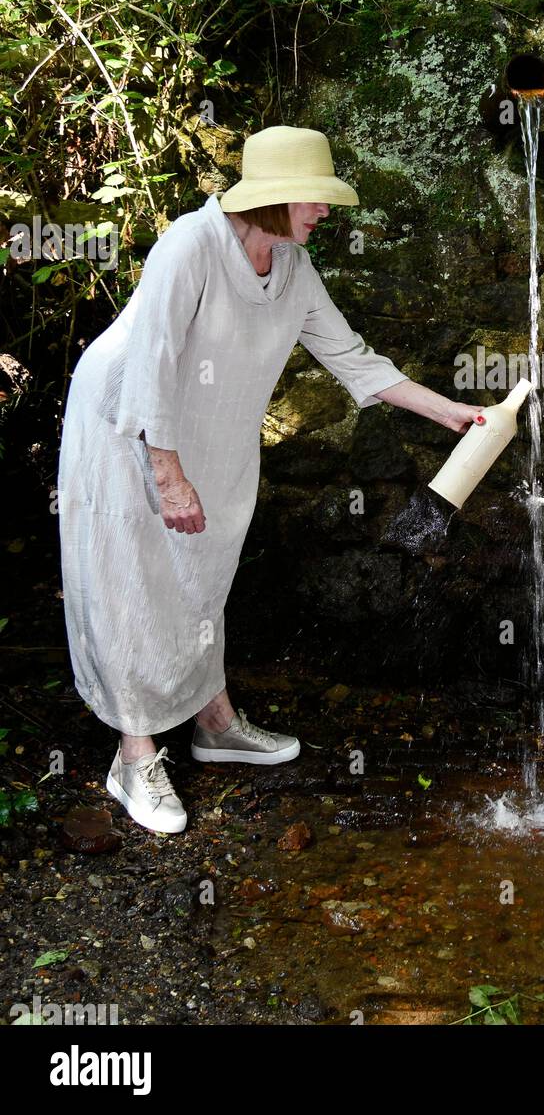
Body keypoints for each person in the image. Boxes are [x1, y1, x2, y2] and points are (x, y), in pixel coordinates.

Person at [57, 125, 484, 836]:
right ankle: (134, 755)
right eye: (316, 200)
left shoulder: (289, 262)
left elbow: (353, 358)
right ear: (276, 198)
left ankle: (213, 721)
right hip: (128, 425)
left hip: (213, 431)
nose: (325, 213)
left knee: (204, 570)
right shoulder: (190, 248)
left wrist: (452, 413)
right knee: (131, 577)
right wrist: (166, 476)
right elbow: (152, 362)